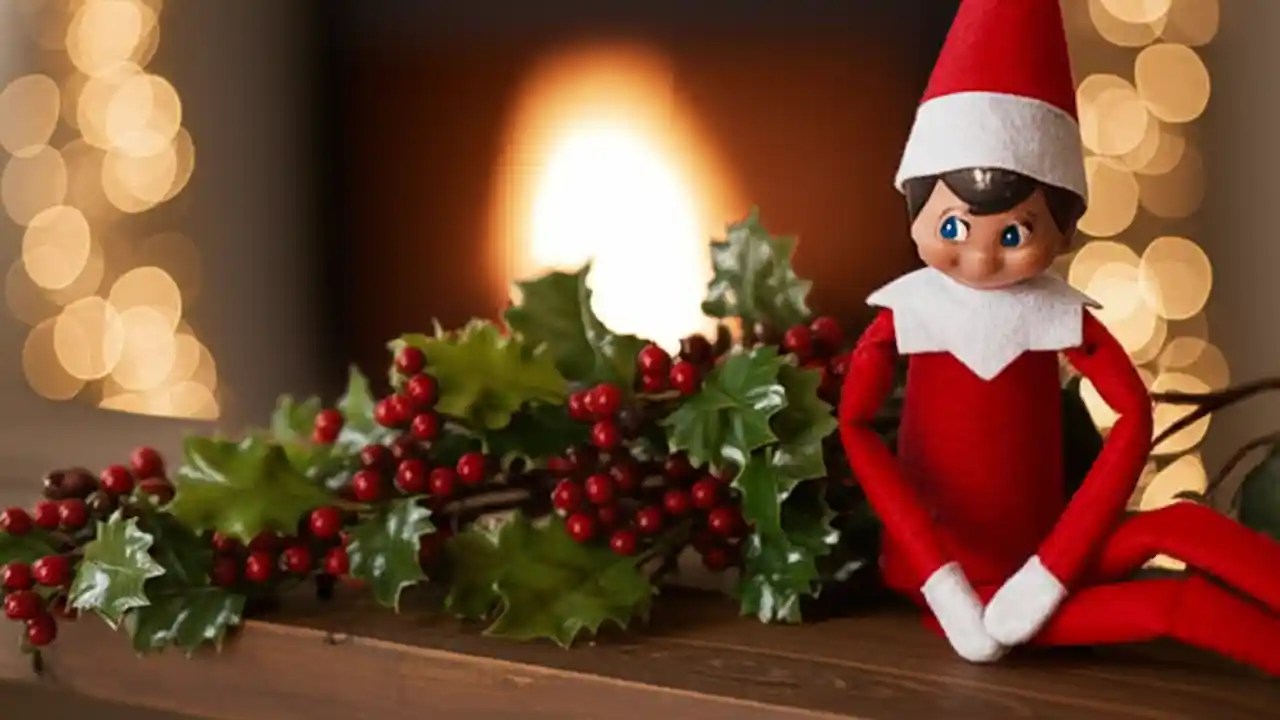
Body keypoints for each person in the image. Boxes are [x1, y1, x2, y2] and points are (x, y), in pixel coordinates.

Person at [839, 0, 1280, 674]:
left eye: (1013, 234)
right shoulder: (907, 314)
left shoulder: (1058, 315)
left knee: (1182, 527)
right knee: (1173, 607)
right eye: (954, 229)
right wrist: (942, 582)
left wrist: (1050, 569)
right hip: (954, 591)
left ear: (1061, 229)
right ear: (915, 205)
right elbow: (857, 428)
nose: (983, 260)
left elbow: (1135, 416)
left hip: (1045, 559)